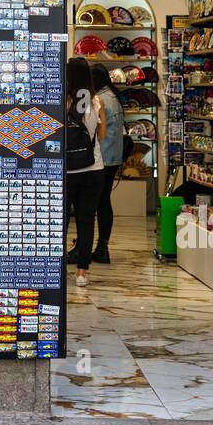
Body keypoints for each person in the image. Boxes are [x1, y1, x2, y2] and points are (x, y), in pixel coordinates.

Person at [64, 57, 105, 288]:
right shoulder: (96, 101)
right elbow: (101, 135)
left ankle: (58, 268)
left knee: (62, 221)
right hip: (93, 168)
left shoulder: (64, 101)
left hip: (68, 169)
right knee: (86, 220)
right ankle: (82, 272)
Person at [90, 64, 124, 264]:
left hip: (102, 157)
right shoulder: (113, 96)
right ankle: (102, 246)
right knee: (104, 201)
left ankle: (100, 247)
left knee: (97, 203)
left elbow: (98, 131)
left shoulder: (100, 99)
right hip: (113, 157)